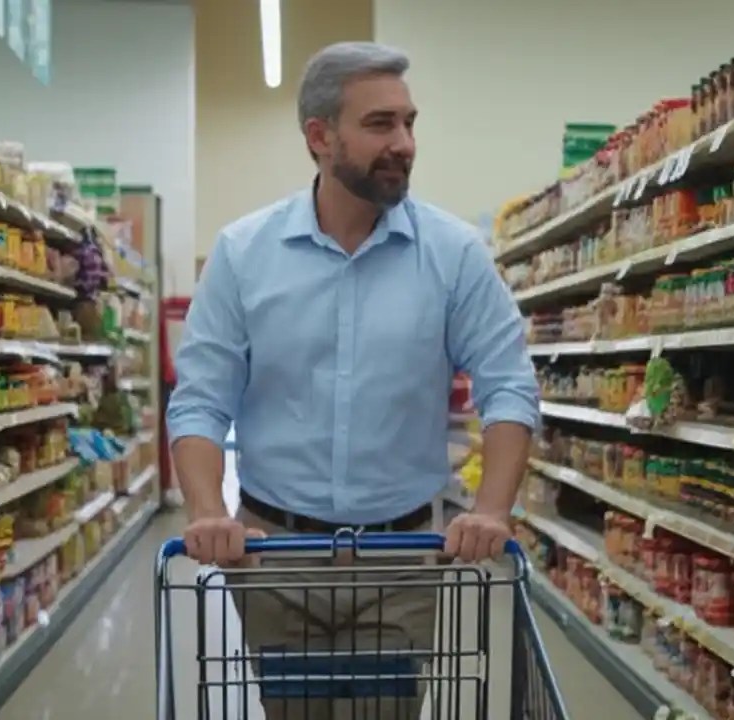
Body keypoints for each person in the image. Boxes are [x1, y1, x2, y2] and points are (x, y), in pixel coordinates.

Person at [165, 41, 539, 719]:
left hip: (403, 558)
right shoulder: (244, 254)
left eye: (409, 122)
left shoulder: (452, 255)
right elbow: (198, 402)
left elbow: (508, 383)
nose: (403, 142)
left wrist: (491, 509)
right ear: (319, 136)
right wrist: (205, 514)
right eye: (379, 124)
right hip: (276, 557)